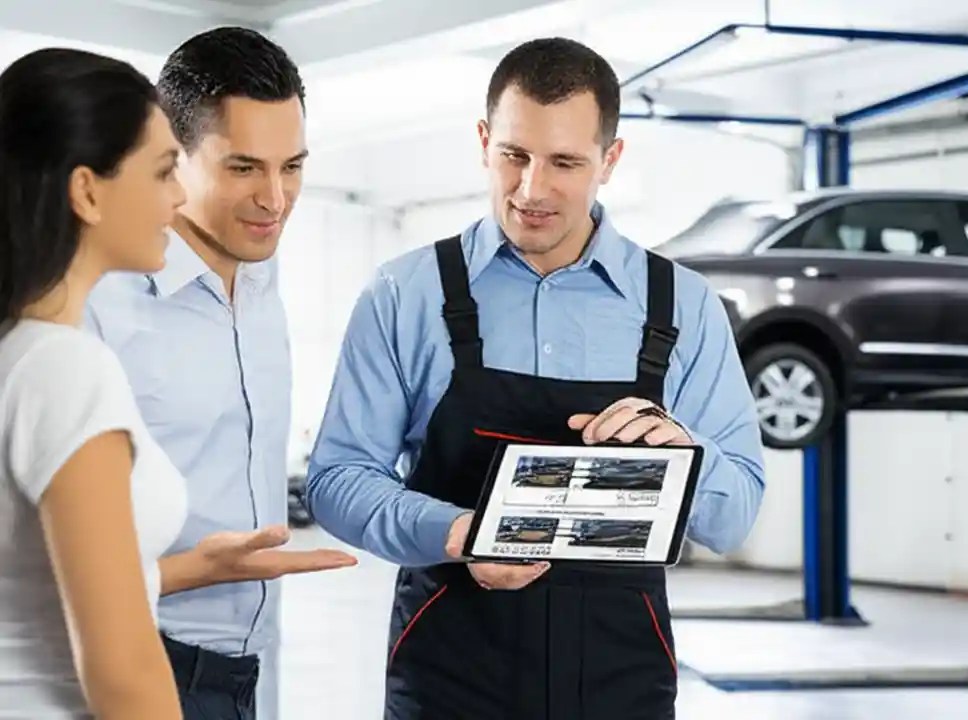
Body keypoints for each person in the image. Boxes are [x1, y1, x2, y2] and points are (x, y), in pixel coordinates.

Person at [306, 36, 766, 719]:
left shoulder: (684, 306)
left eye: (565, 163)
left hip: (621, 677)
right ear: (484, 140)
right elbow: (337, 479)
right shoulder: (405, 294)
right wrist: (461, 534)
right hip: (449, 672)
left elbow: (734, 519)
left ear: (609, 160)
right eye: (514, 156)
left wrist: (684, 459)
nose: (531, 189)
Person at [84, 26, 356, 720]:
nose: (275, 198)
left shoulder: (263, 284)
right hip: (134, 665)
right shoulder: (96, 303)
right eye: (243, 168)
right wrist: (191, 574)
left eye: (292, 166)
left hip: (249, 673)